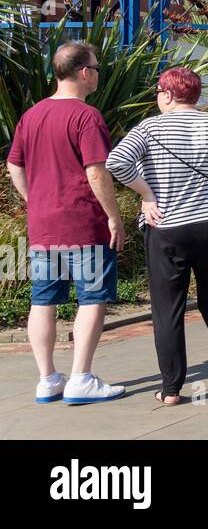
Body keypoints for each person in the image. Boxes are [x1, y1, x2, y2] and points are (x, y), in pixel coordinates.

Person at [106, 66, 208, 404]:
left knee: (168, 307)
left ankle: (171, 389)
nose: (158, 98)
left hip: (167, 226)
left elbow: (116, 162)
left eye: (159, 92)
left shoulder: (149, 128)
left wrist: (147, 195)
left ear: (169, 94)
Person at [6, 41, 127, 404]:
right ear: (83, 72)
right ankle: (80, 378)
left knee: (43, 301)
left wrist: (34, 200)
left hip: (44, 226)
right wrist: (113, 216)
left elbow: (14, 164)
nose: (97, 74)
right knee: (91, 299)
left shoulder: (32, 115)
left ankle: (47, 379)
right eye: (96, 67)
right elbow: (96, 170)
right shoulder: (86, 116)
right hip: (83, 224)